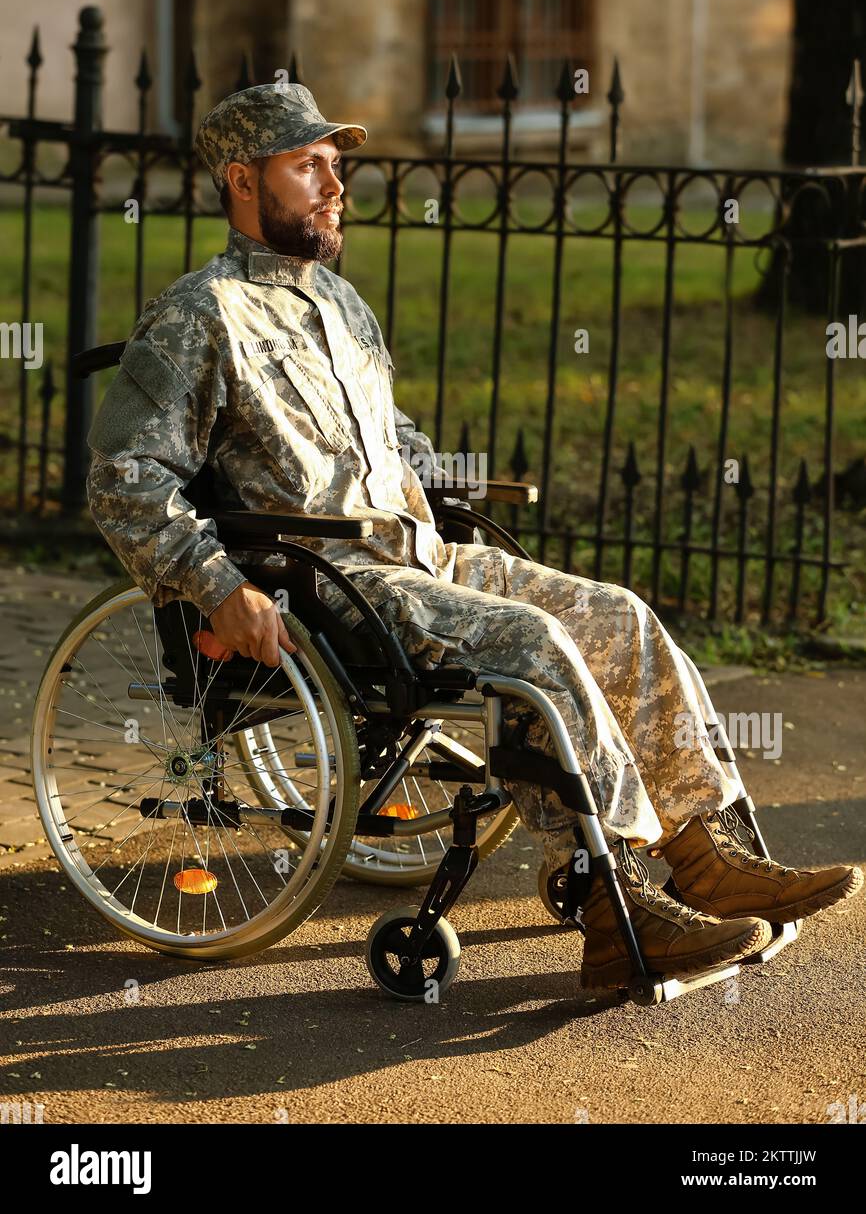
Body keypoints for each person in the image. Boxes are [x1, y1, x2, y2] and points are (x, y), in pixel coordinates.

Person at [86, 83, 862, 991]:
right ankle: (611, 908)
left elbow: (393, 440)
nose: (335, 186)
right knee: (530, 644)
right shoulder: (199, 313)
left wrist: (457, 475)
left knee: (619, 616)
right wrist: (220, 587)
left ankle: (705, 852)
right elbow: (126, 479)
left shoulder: (339, 303)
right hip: (328, 577)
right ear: (243, 182)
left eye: (337, 166)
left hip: (420, 551)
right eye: (310, 166)